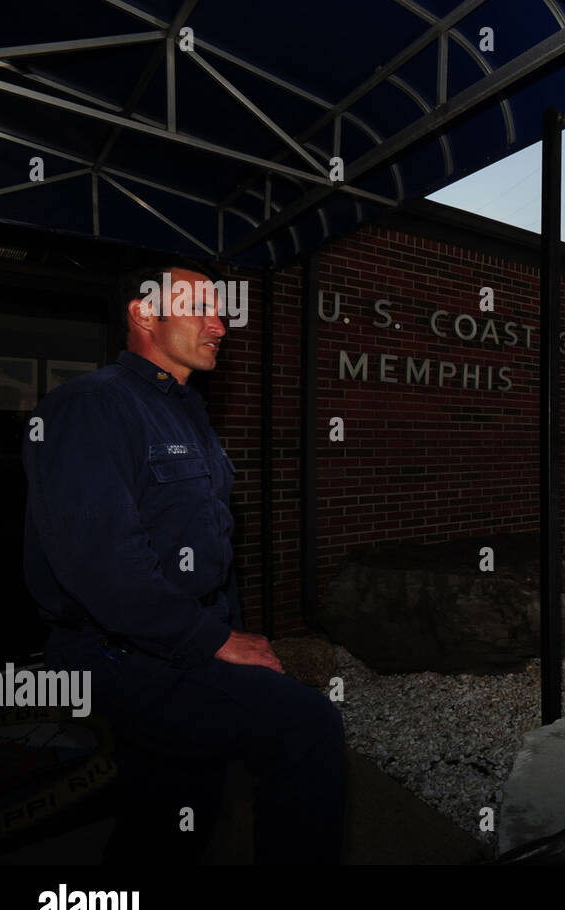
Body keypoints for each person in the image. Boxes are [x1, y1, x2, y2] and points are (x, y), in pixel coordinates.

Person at [21, 261, 345, 863]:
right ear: (145, 312)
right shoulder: (88, 407)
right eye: (201, 309)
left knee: (174, 805)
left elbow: (212, 543)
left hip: (175, 639)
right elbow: (100, 565)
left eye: (221, 312)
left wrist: (228, 627)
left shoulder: (187, 411)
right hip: (123, 653)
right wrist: (208, 639)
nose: (220, 326)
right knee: (307, 729)